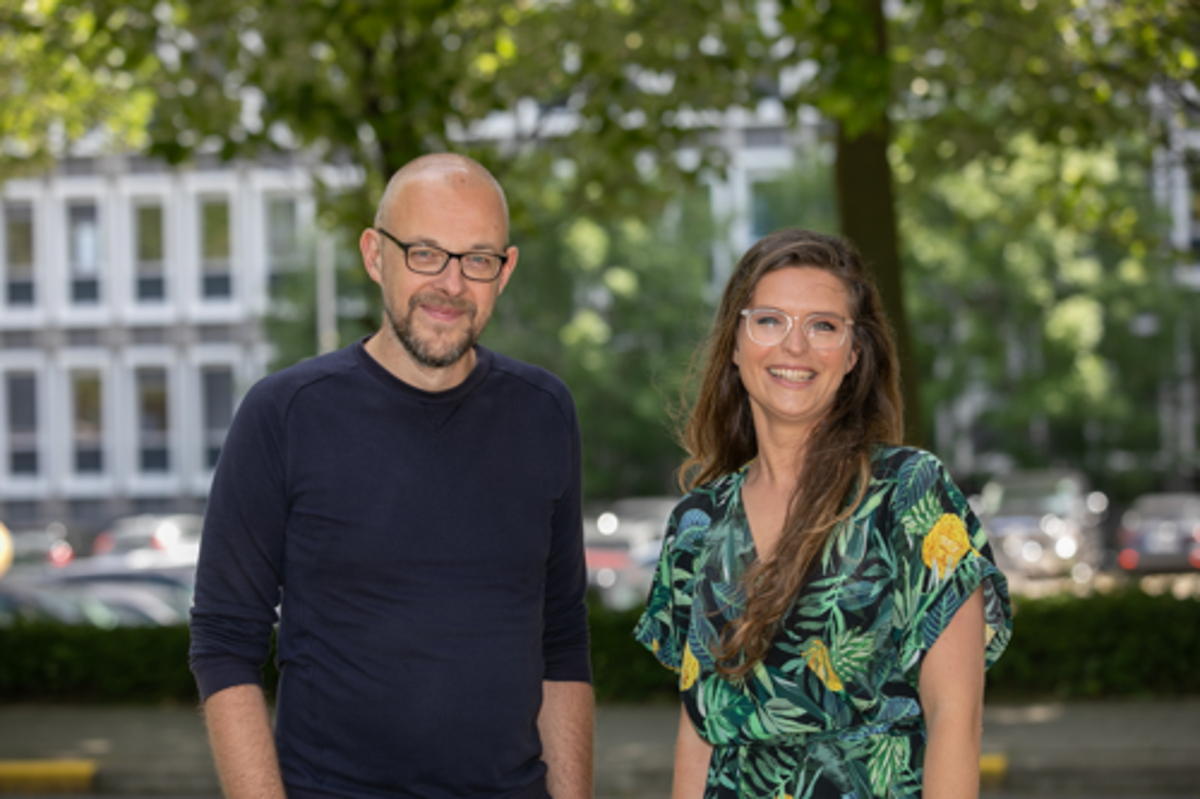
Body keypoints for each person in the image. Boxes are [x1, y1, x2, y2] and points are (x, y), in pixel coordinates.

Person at [189, 153, 594, 799]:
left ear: (506, 270)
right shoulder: (286, 414)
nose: (452, 283)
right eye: (426, 253)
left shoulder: (544, 412)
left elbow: (564, 636)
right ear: (376, 255)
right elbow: (223, 641)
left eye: (477, 259)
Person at [634, 228, 1012, 799]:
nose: (795, 346)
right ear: (735, 345)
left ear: (854, 354)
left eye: (823, 326)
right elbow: (699, 729)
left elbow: (956, 723)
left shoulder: (910, 493)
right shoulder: (698, 521)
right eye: (769, 320)